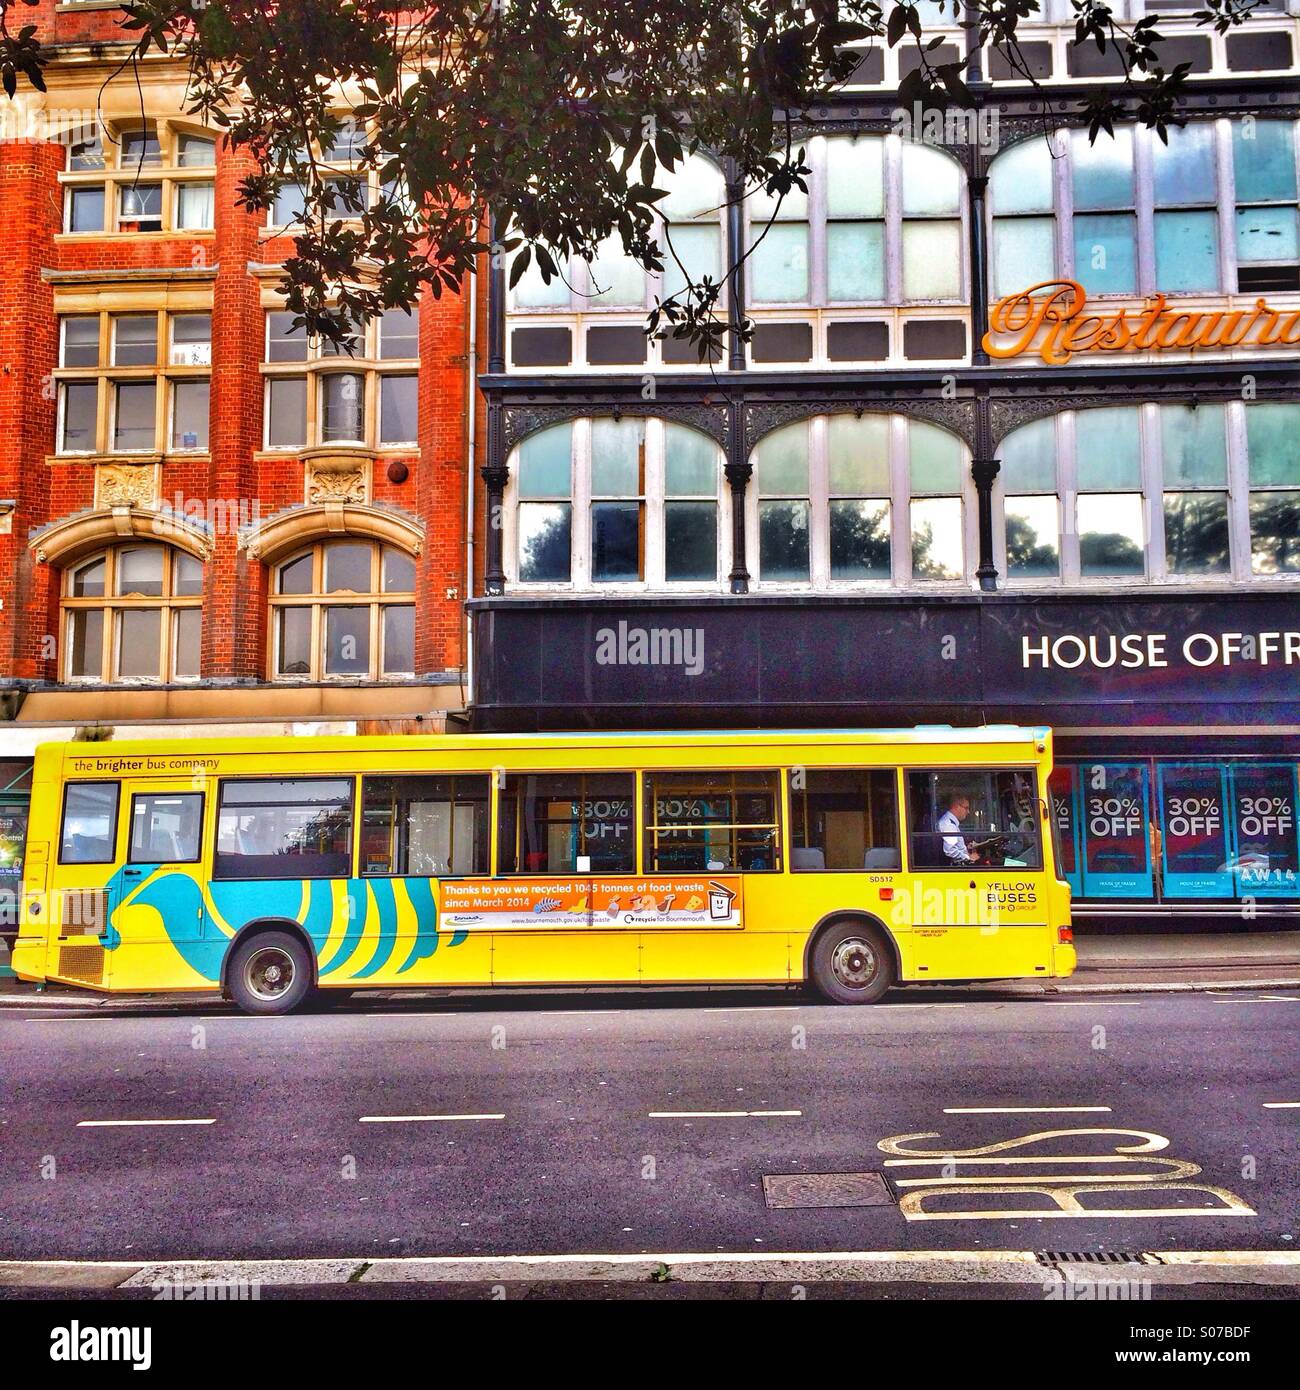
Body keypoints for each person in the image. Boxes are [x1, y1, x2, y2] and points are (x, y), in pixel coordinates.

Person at [937, 792, 980, 865]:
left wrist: (967, 847)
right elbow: (950, 850)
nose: (968, 812)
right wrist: (969, 858)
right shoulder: (949, 824)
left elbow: (954, 845)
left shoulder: (950, 822)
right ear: (956, 806)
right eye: (966, 808)